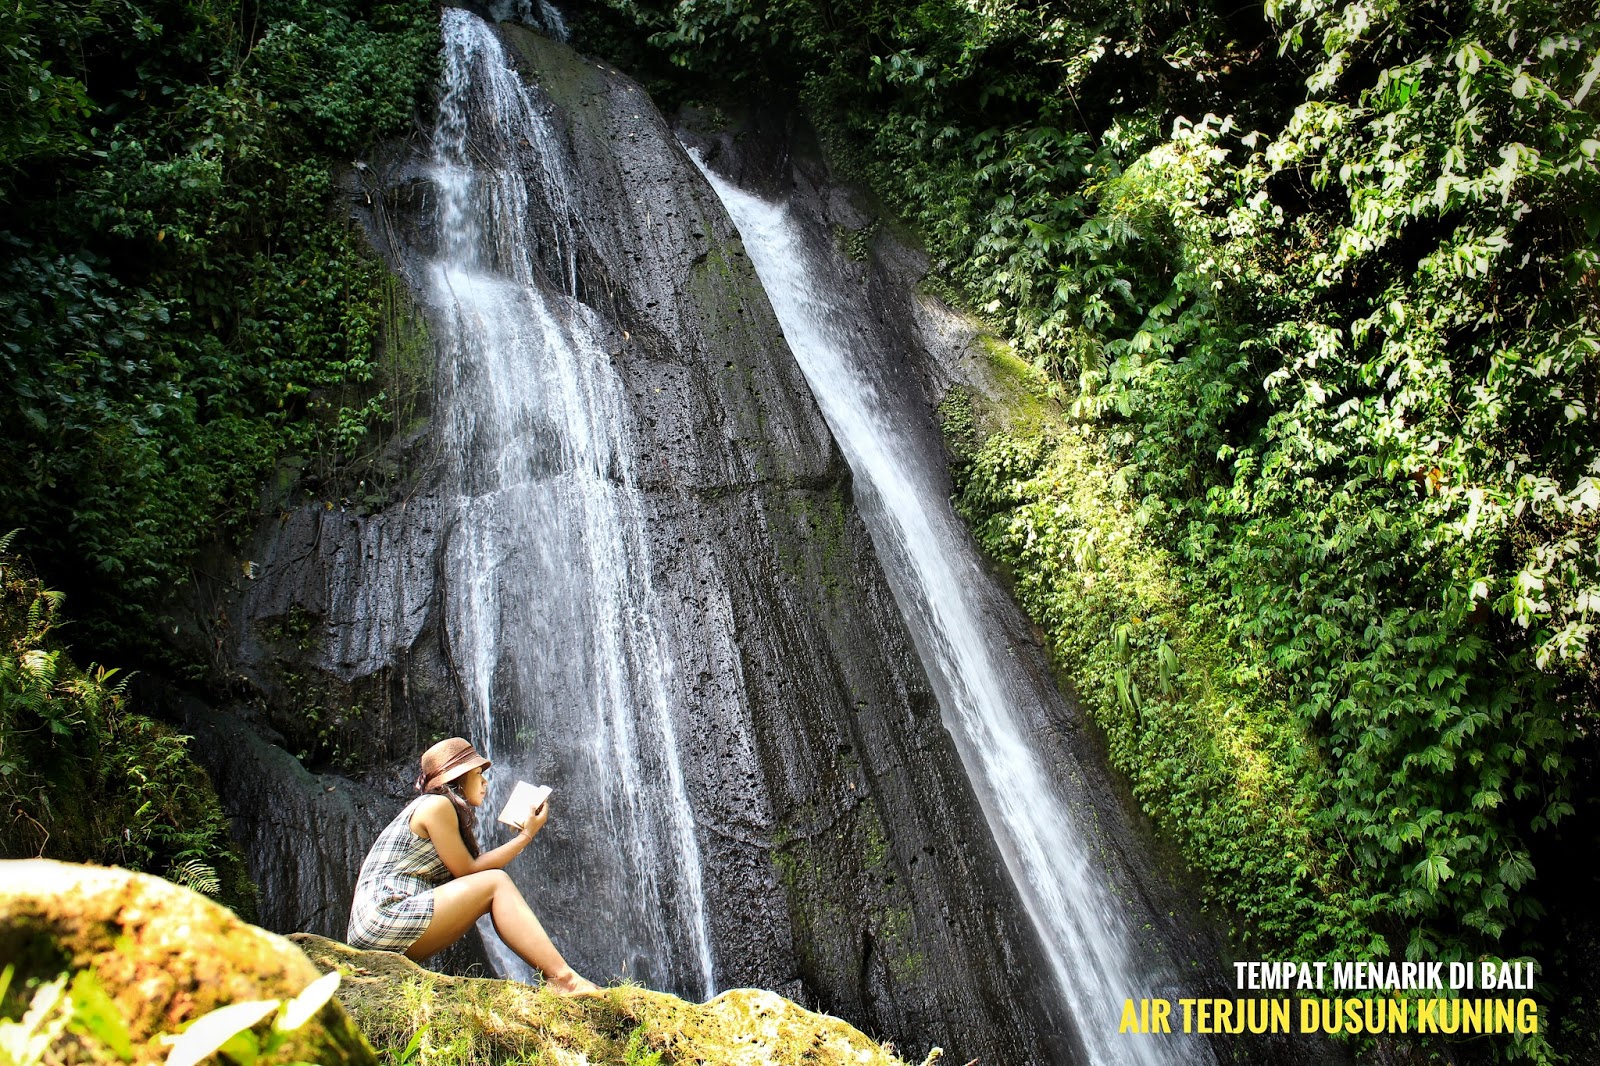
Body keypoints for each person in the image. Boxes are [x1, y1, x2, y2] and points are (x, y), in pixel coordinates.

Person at [347, 736, 599, 994]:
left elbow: (469, 871)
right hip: (385, 917)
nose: (485, 782)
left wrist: (523, 835)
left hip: (378, 928)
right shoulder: (436, 805)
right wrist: (526, 835)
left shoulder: (436, 807)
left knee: (492, 881)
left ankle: (564, 978)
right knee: (497, 882)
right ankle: (564, 980)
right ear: (458, 777)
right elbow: (468, 870)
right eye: (478, 774)